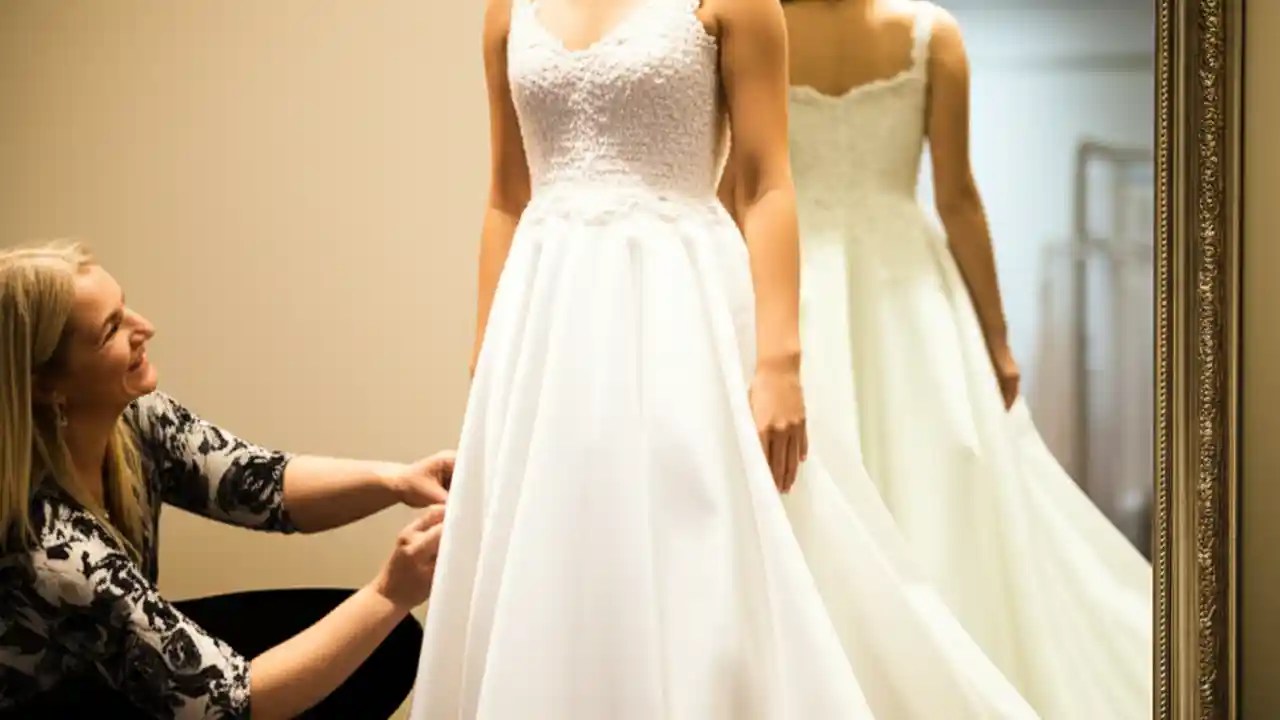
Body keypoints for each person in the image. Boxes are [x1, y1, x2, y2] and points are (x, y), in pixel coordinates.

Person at [407, 0, 1040, 717]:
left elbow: (767, 181)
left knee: (697, 535)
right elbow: (505, 195)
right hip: (547, 316)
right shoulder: (508, 10)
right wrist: (486, 356)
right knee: (555, 545)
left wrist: (781, 362)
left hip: (680, 305)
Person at [720, 0, 1153, 716]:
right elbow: (957, 198)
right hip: (910, 292)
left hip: (794, 287)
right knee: (937, 482)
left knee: (826, 493)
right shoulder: (931, 34)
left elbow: (740, 189)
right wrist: (996, 339)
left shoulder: (755, 22)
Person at [0, 241, 452, 719]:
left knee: (385, 647)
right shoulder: (53, 551)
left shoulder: (136, 420)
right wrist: (389, 592)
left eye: (124, 306)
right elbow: (229, 706)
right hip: (54, 705)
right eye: (112, 329)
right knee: (368, 630)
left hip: (103, 675)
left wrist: (397, 480)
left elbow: (257, 483)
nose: (144, 327)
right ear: (47, 385)